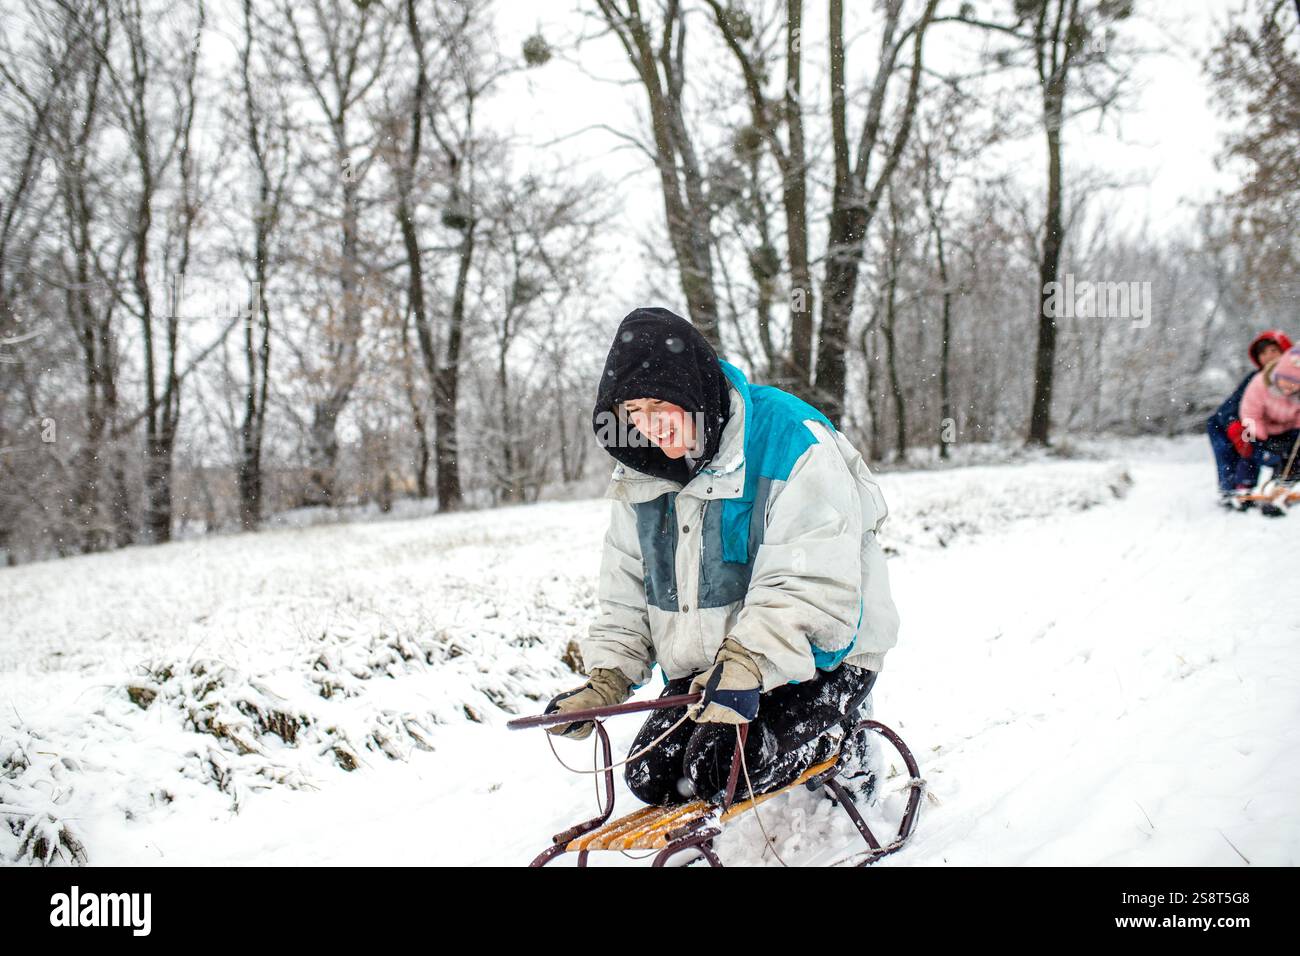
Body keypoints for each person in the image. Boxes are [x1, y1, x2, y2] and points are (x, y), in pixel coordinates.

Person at [545, 307, 900, 807]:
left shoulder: (790, 439)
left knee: (715, 770)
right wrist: (608, 678)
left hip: (821, 659)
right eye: (635, 415)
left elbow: (810, 581)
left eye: (659, 405)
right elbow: (627, 585)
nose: (651, 428)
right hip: (716, 669)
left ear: (690, 387)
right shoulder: (645, 475)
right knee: (649, 775)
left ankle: (843, 740)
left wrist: (749, 663)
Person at [1207, 330, 1291, 509]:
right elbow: (1233, 407)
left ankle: (1282, 486)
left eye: (1274, 351)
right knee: (1243, 452)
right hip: (1230, 425)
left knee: (1285, 450)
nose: (1269, 357)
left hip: (1271, 427)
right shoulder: (1255, 380)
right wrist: (1234, 425)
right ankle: (1234, 491)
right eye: (1263, 353)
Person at [1235, 344, 1300, 516]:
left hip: (1289, 429)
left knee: (1293, 454)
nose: (1288, 388)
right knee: (1248, 451)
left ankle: (1283, 486)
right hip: (1260, 429)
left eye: (1294, 384)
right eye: (1285, 382)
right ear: (1277, 375)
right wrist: (1264, 437)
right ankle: (1244, 486)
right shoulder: (1260, 384)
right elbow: (1249, 413)